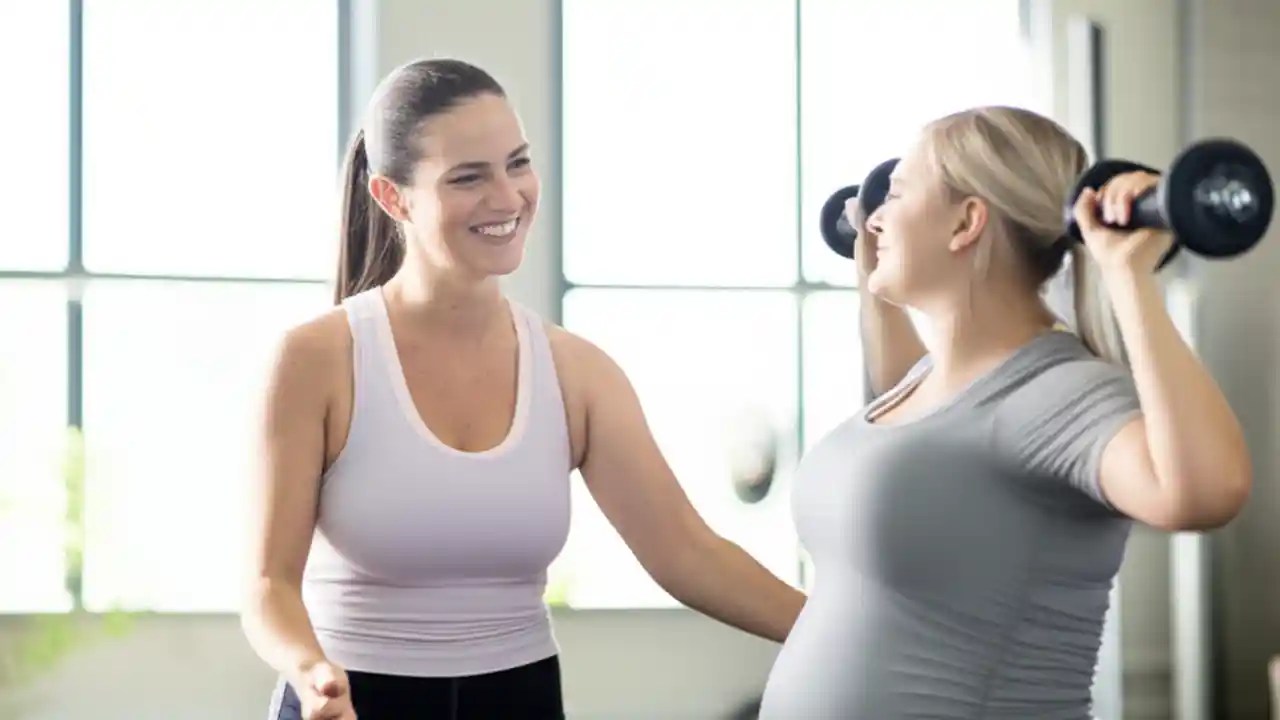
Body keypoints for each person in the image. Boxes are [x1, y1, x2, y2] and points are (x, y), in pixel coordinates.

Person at [239, 58, 806, 720]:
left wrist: (846, 633)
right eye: (468, 177)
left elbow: (687, 552)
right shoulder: (317, 358)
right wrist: (311, 671)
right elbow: (267, 584)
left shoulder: (577, 373)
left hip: (519, 697)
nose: (507, 198)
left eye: (517, 163)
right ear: (394, 198)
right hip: (349, 700)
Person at [757, 106, 1252, 719]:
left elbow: (1207, 492)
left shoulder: (1059, 391)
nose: (875, 216)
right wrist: (877, 277)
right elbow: (928, 459)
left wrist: (1128, 276)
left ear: (967, 222)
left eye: (896, 194)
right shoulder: (925, 383)